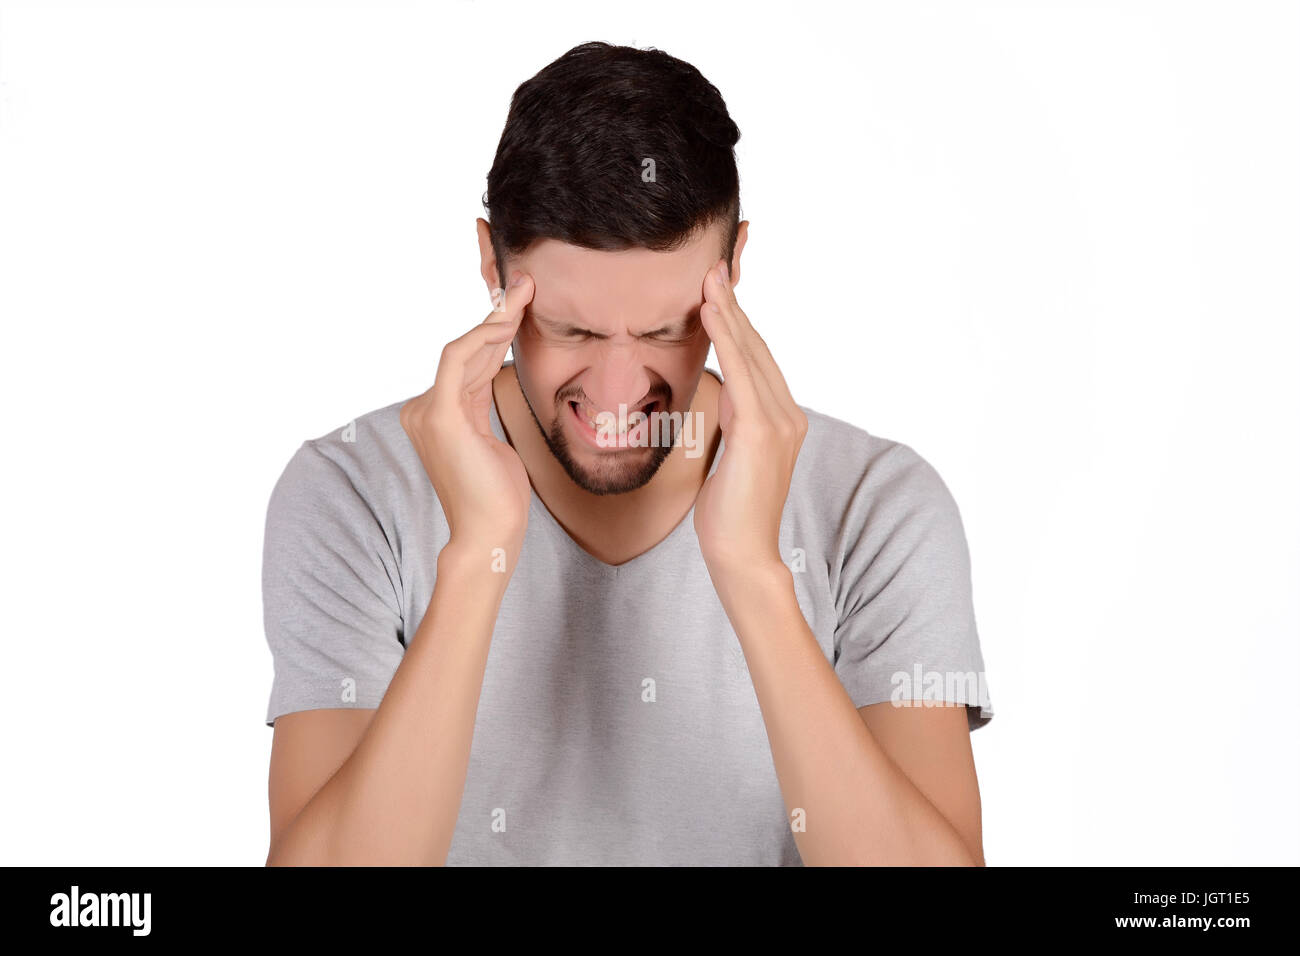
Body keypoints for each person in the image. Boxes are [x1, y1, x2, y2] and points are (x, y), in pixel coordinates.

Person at [262, 41, 994, 866]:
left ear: (734, 268)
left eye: (663, 331)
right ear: (489, 267)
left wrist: (754, 574)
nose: (616, 394)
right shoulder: (352, 493)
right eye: (569, 330)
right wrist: (476, 557)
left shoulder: (874, 506)